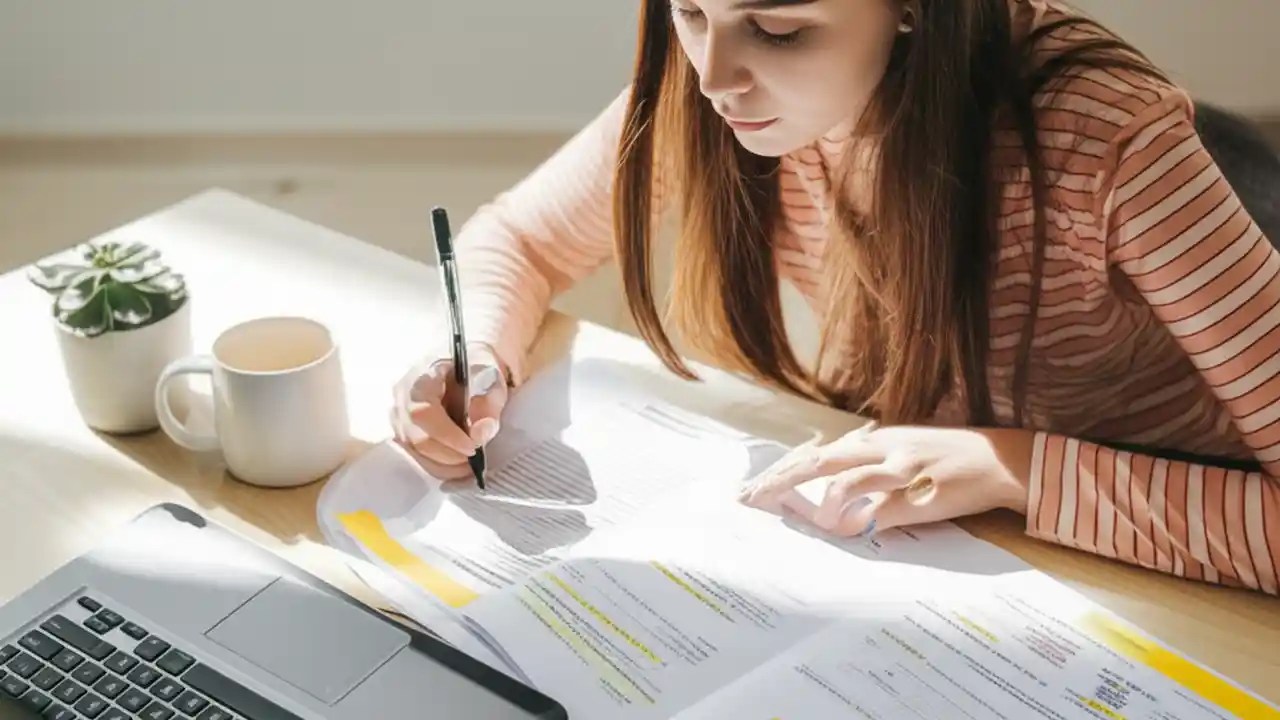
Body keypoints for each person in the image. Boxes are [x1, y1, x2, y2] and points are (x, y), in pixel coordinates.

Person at [391, 0, 1280, 597]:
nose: (713, 77)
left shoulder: (1110, 141)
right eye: (692, 11)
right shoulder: (712, 93)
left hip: (1186, 546)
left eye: (779, 30)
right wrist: (473, 358)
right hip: (956, 539)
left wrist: (1013, 469)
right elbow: (519, 238)